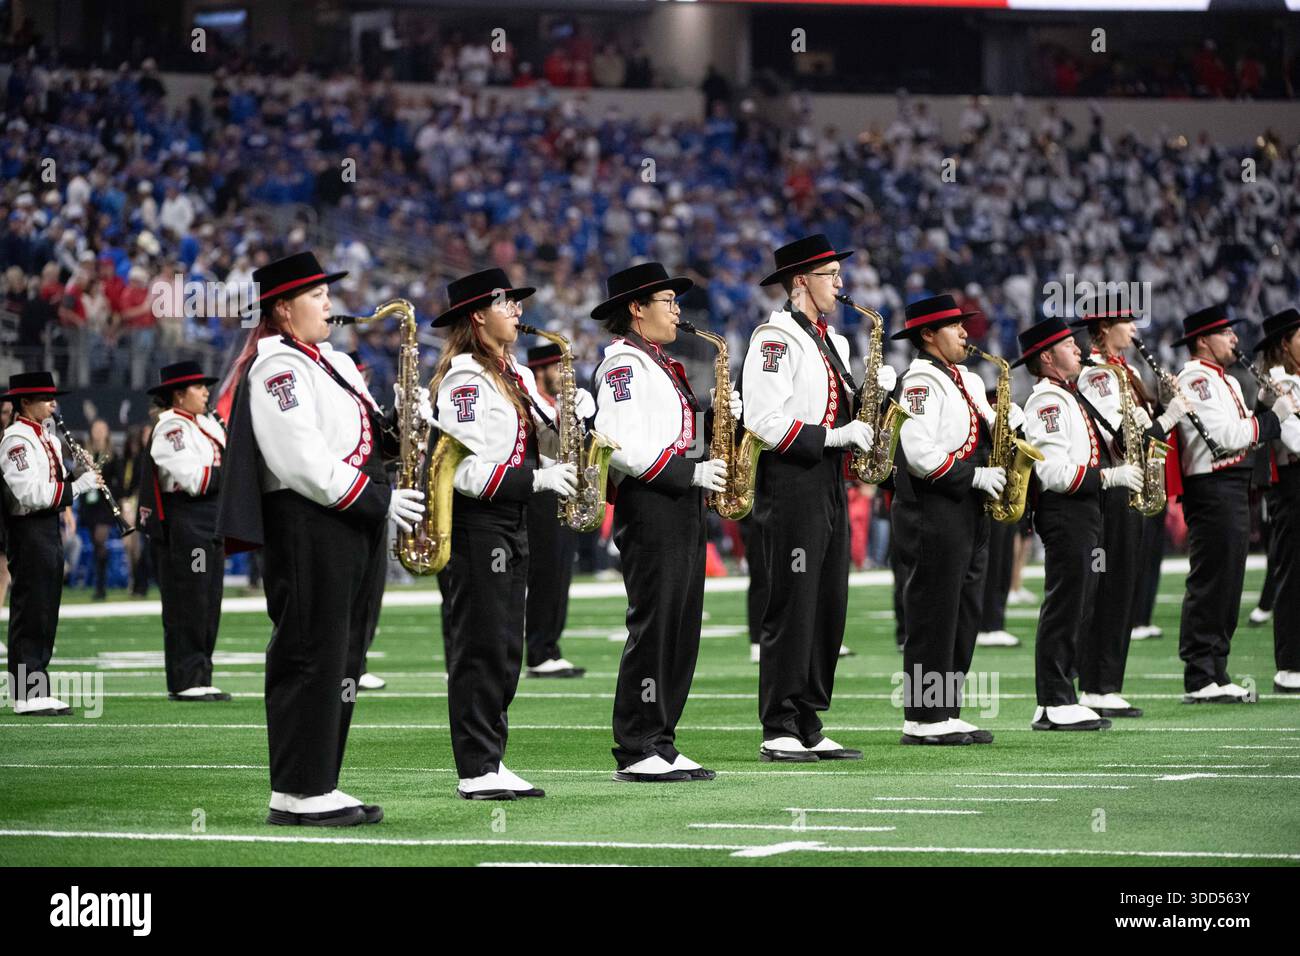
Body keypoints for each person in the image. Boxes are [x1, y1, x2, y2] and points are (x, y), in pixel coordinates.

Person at [217, 251, 426, 826]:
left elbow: (362, 435)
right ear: (284, 309)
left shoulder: (329, 360)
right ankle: (297, 788)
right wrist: (378, 501)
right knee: (310, 651)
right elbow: (301, 458)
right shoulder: (276, 367)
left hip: (345, 520)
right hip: (309, 522)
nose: (330, 303)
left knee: (344, 655)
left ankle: (319, 782)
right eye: (316, 294)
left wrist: (409, 423)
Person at [432, 267, 579, 799]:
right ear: (478, 315)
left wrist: (574, 412)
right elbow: (464, 471)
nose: (518, 311)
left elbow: (548, 428)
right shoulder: (466, 380)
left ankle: (490, 760)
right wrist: (538, 477)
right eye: (506, 303)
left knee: (503, 647)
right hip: (477, 523)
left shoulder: (510, 370)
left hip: (509, 519)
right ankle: (476, 766)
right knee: (481, 645)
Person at [742, 235, 885, 761]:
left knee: (829, 600)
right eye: (830, 274)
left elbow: (842, 413)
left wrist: (875, 398)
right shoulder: (774, 338)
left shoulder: (834, 342)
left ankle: (808, 717)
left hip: (828, 479)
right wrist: (832, 437)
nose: (840, 283)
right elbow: (762, 420)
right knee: (793, 602)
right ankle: (779, 722)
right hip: (790, 481)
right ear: (801, 281)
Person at [592, 261, 729, 781]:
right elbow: (621, 445)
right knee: (654, 626)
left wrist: (716, 416)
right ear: (636, 309)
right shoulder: (623, 364)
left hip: (678, 502)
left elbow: (672, 434)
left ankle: (662, 738)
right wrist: (691, 475)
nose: (678, 311)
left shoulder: (657, 362)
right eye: (668, 302)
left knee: (681, 628)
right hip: (651, 506)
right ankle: (637, 745)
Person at [1018, 317, 1146, 731]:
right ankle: (1054, 698)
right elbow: (1052, 473)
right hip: (1066, 512)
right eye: (1068, 346)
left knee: (1081, 602)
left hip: (1084, 511)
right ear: (1046, 357)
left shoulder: (1069, 396)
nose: (1078, 350)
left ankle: (1059, 696)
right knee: (1066, 603)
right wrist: (1110, 477)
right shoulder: (1047, 402)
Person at [891, 295, 1008, 745]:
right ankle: (922, 717)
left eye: (964, 325)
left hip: (968, 507)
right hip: (934, 508)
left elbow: (988, 426)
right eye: (954, 326)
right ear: (927, 335)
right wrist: (976, 474)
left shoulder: (967, 379)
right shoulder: (919, 382)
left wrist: (1007, 423)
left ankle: (946, 709)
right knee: (933, 610)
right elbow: (919, 455)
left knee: (963, 611)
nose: (965, 333)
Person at [1173, 304, 1295, 703]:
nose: (1235, 340)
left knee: (1229, 582)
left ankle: (1216, 668)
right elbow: (1226, 436)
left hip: (1232, 484)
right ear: (1203, 341)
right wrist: (1272, 418)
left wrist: (1260, 405)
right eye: (1226, 333)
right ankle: (1199, 673)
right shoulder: (1197, 379)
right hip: (1213, 486)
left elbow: (1243, 428)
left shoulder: (1221, 380)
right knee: (1212, 580)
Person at [1073, 310, 1190, 718]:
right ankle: (1095, 683)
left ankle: (1107, 683)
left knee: (1125, 583)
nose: (1135, 330)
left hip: (1133, 485)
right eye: (1128, 323)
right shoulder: (1098, 374)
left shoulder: (1125, 371)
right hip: (1113, 487)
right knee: (1109, 584)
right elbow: (1120, 437)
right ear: (1104, 329)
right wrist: (1169, 417)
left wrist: (1159, 404)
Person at [1, 371, 103, 715]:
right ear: (25, 403)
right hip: (28, 529)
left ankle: (36, 686)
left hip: (48, 528)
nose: (52, 403)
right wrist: (79, 487)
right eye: (45, 398)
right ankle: (25, 692)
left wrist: (79, 473)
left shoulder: (48, 437)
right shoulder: (16, 439)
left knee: (46, 608)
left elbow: (54, 482)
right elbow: (30, 492)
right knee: (31, 607)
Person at [139, 361, 230, 702]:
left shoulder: (205, 423)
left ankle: (201, 674)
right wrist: (232, 476)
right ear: (178, 395)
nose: (207, 392)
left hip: (211, 520)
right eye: (199, 387)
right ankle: (185, 677)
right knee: (190, 596)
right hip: (188, 523)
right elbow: (193, 479)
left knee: (209, 597)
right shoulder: (170, 429)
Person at [522, 342, 585, 679]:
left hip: (565, 489)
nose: (562, 376)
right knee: (546, 572)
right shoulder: (533, 402)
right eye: (557, 369)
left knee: (560, 572)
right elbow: (546, 445)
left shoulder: (559, 403)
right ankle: (538, 648)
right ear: (540, 371)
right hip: (543, 492)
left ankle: (549, 646)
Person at [1252, 308, 1300, 693]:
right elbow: (1294, 439)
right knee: (1292, 572)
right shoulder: (1274, 383)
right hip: (1292, 485)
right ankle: (1289, 666)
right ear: (1285, 344)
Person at [349, 352, 390, 693]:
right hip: (354, 500)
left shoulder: (367, 405)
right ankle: (347, 665)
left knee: (371, 593)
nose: (364, 378)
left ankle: (357, 663)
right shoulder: (342, 406)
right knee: (352, 591)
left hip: (376, 498)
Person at [78, 419, 124, 601]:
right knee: (96, 544)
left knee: (100, 539)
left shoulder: (113, 455)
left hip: (104, 506)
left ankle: (101, 586)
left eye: (102, 429)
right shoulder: (85, 454)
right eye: (95, 429)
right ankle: (99, 584)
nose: (98, 433)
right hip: (89, 504)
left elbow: (119, 482)